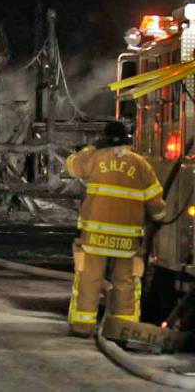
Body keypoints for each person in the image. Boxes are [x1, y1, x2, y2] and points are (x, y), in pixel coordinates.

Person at [64, 121, 167, 337]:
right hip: (127, 239)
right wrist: (158, 218)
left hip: (95, 236)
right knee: (125, 283)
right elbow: (156, 204)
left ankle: (82, 326)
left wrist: (92, 147)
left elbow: (72, 166)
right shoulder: (141, 165)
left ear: (103, 138)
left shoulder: (94, 158)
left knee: (89, 279)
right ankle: (124, 331)